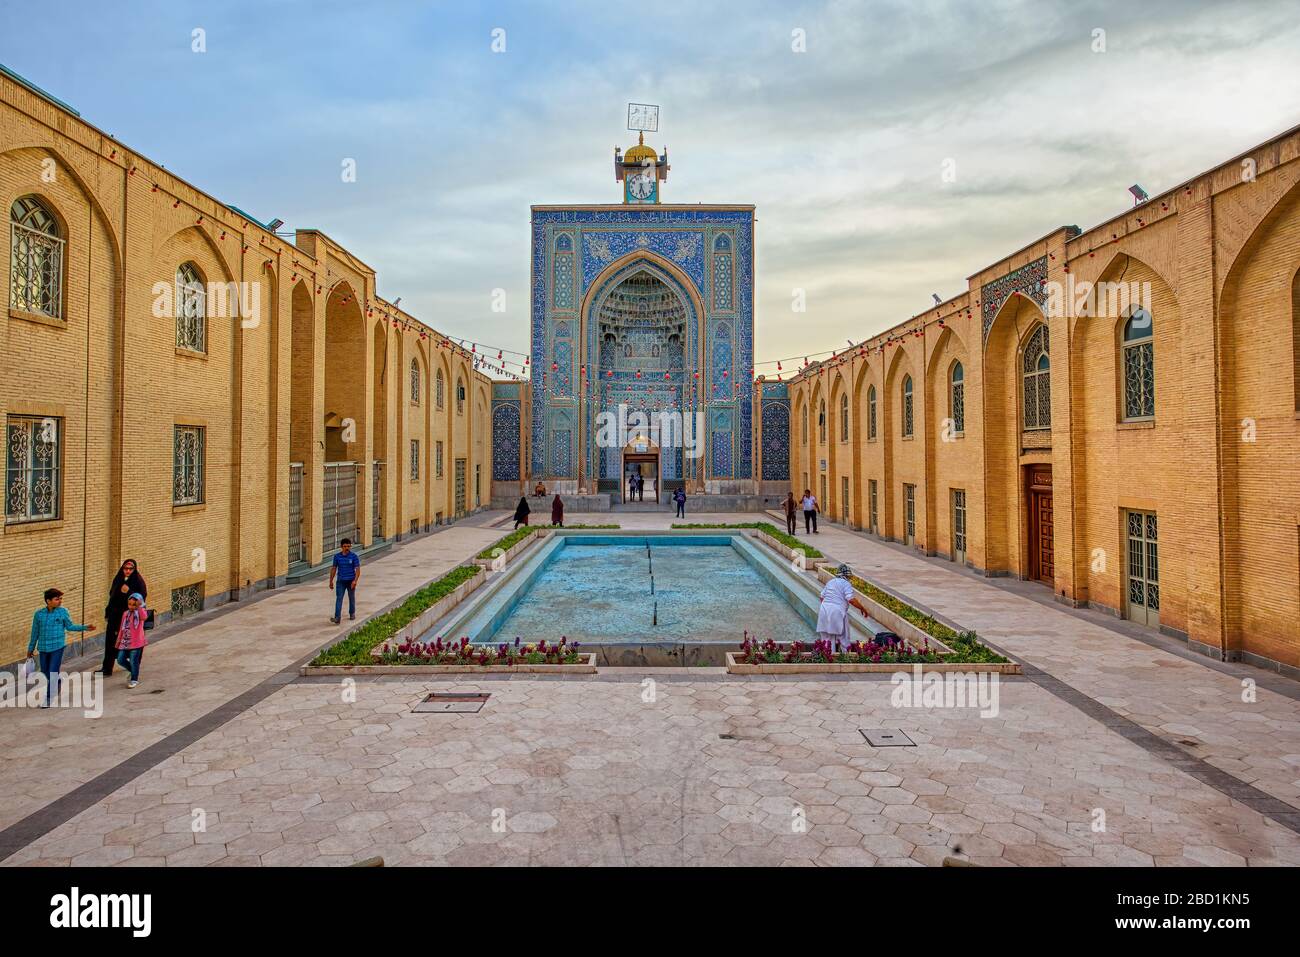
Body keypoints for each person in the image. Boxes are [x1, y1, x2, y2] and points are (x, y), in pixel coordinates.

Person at [27, 588, 96, 707]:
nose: (60, 601)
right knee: (45, 672)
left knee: (52, 671)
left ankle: (48, 698)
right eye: (57, 599)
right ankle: (58, 681)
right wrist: (30, 648)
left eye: (60, 599)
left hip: (58, 647)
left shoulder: (63, 612)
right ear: (48, 601)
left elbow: (70, 626)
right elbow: (35, 632)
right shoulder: (39, 614)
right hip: (43, 648)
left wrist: (85, 627)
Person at [102, 558, 145, 677]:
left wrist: (129, 591)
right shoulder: (118, 578)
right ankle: (107, 668)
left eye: (130, 569)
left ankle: (134, 667)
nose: (127, 571)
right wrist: (108, 611)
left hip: (129, 618)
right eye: (125, 568)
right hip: (115, 616)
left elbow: (141, 599)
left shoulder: (138, 581)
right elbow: (112, 595)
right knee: (110, 641)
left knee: (132, 642)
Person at [817, 564, 871, 653]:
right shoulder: (846, 584)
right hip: (838, 612)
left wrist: (828, 607)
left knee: (826, 640)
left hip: (824, 611)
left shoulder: (830, 582)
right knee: (844, 637)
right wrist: (862, 608)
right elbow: (851, 600)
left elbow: (822, 597)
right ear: (846, 575)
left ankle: (827, 659)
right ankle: (845, 658)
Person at [115, 592, 148, 689]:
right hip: (125, 642)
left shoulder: (140, 613)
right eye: (129, 604)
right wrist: (119, 640)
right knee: (120, 659)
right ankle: (133, 671)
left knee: (134, 661)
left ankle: (134, 679)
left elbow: (144, 617)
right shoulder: (125, 614)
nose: (131, 606)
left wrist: (140, 607)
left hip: (136, 642)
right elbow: (122, 627)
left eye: (134, 605)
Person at [328, 538, 361, 625]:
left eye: (348, 546)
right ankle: (337, 617)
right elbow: (334, 569)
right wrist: (331, 581)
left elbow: (357, 570)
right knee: (339, 598)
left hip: (351, 581)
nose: (347, 548)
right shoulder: (337, 557)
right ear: (341, 547)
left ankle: (352, 613)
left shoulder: (354, 556)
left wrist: (355, 580)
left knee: (351, 597)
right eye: (345, 546)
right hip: (341, 581)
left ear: (350, 546)